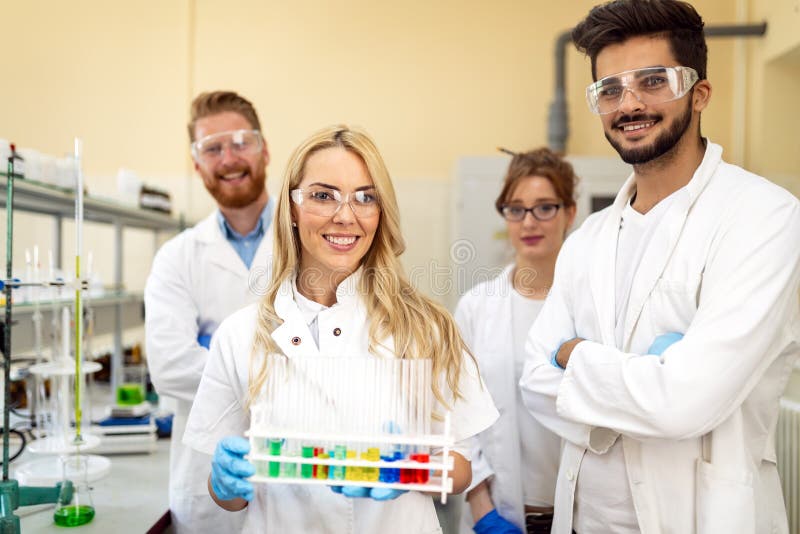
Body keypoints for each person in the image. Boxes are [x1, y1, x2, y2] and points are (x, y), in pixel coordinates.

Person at [519, 1, 800, 533]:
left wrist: (575, 356)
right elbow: (534, 380)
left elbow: (684, 402)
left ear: (700, 93)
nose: (629, 104)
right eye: (610, 89)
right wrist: (647, 383)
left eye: (653, 81)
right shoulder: (587, 240)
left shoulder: (763, 217)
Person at [182, 125, 499, 533]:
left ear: (381, 213)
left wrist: (411, 470)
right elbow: (228, 497)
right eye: (323, 195)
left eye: (365, 197)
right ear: (292, 209)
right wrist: (224, 479)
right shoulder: (240, 335)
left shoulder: (428, 328)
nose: (346, 216)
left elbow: (461, 468)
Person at [145, 91, 274, 533]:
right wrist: (278, 367)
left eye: (241, 142)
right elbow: (168, 368)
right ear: (197, 164)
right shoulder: (177, 257)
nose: (229, 158)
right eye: (212, 148)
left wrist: (215, 350)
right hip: (205, 488)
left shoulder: (311, 241)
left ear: (265, 149)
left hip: (295, 486)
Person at [455, 148, 576, 534]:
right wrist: (482, 510)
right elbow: (456, 414)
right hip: (499, 512)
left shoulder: (593, 306)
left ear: (570, 213)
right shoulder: (476, 308)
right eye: (516, 209)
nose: (529, 222)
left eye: (545, 208)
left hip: (584, 515)